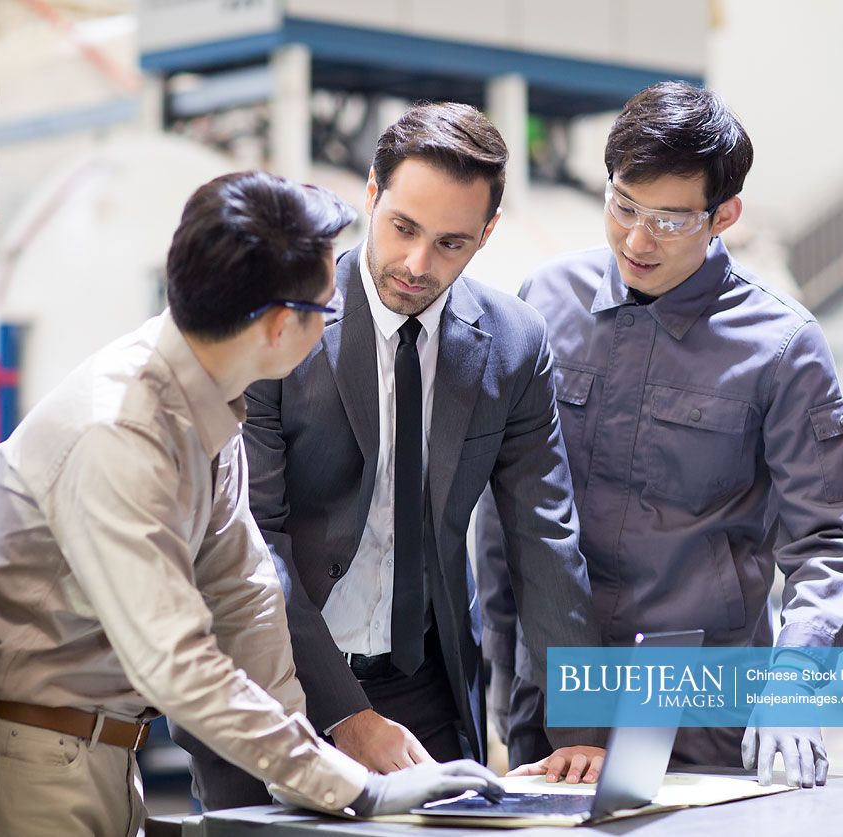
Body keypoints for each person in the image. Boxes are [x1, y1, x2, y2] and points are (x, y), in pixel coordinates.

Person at [0, 170, 502, 836]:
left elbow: (244, 594)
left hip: (101, 752)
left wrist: (305, 772)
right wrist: (349, 786)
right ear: (280, 323)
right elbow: (174, 659)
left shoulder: (209, 404)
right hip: (39, 762)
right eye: (325, 309)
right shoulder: (121, 431)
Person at [174, 103, 606, 810]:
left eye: (450, 243)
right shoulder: (280, 322)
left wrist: (580, 726)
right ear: (369, 195)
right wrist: (346, 713)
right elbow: (254, 539)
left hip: (422, 687)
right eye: (402, 227)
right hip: (269, 678)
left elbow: (543, 536)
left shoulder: (514, 343)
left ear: (486, 235)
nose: (416, 264)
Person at [477, 81, 843, 788]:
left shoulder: (780, 347)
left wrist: (793, 681)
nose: (636, 239)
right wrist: (502, 685)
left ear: (724, 214)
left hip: (699, 710)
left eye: (668, 220)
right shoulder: (543, 302)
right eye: (622, 205)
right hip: (555, 700)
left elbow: (828, 545)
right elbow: (504, 521)